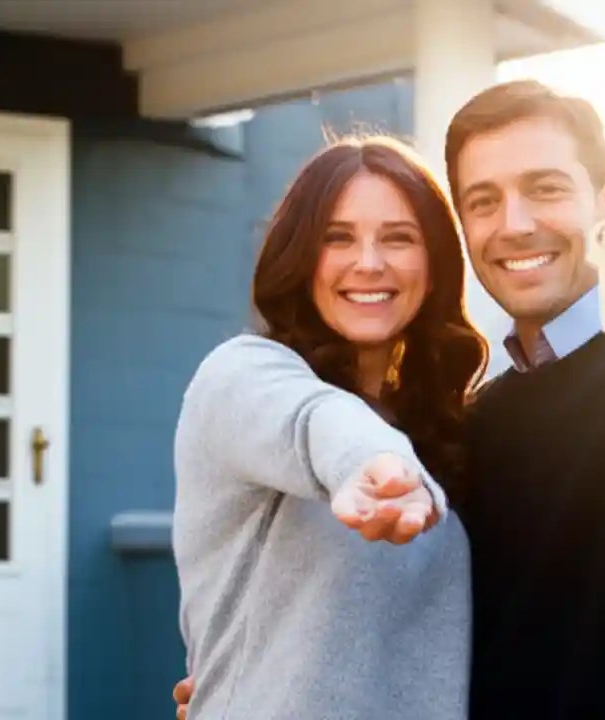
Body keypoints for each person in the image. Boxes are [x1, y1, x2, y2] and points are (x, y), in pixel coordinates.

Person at [175, 79, 605, 720]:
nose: (516, 225)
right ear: (463, 232)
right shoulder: (473, 423)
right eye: (484, 201)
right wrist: (248, 675)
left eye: (545, 188)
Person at [172, 135, 488, 719]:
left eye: (399, 238)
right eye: (336, 237)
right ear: (299, 255)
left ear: (435, 263)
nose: (369, 262)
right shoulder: (241, 376)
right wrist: (371, 468)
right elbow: (315, 424)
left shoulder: (444, 431)